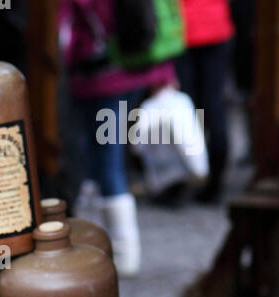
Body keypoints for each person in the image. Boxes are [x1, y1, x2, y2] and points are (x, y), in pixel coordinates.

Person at [59, 0, 186, 275]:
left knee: (105, 160)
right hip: (132, 70)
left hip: (99, 78)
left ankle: (122, 251)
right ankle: (119, 249)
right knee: (109, 157)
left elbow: (65, 35)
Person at [176, 0, 235, 200]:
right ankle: (214, 178)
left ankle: (182, 179)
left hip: (182, 29)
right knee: (213, 105)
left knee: (185, 108)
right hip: (216, 24)